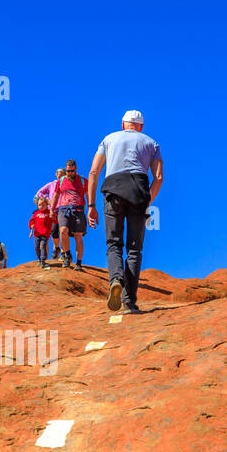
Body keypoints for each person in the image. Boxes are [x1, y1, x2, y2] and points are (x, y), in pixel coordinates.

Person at [86, 110, 162, 313]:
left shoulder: (109, 139)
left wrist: (91, 205)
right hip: (138, 189)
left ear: (123, 124)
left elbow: (94, 172)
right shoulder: (151, 143)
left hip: (113, 188)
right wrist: (147, 200)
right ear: (141, 127)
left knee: (114, 244)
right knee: (134, 249)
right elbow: (159, 177)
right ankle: (129, 301)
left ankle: (116, 279)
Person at [53, 160, 89, 270]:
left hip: (78, 210)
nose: (70, 173)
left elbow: (88, 195)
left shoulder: (83, 181)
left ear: (76, 169)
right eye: (68, 171)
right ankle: (67, 255)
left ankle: (78, 263)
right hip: (63, 209)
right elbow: (56, 195)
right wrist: (52, 209)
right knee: (63, 231)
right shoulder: (61, 181)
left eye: (72, 171)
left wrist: (92, 208)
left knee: (78, 236)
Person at [33, 168, 64, 263]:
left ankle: (63, 253)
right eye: (59, 173)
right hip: (53, 210)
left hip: (63, 210)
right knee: (54, 232)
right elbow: (39, 193)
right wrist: (47, 200)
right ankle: (57, 248)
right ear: (56, 174)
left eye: (62, 173)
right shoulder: (51, 184)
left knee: (63, 231)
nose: (60, 175)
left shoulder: (67, 183)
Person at [29, 197, 56, 268]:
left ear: (47, 205)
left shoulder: (48, 212)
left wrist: (53, 217)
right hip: (37, 234)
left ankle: (43, 260)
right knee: (36, 247)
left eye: (43, 205)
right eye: (39, 205)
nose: (41, 206)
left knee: (43, 246)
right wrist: (31, 225)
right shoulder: (36, 213)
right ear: (37, 205)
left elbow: (55, 220)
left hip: (45, 234)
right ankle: (39, 258)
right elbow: (31, 221)